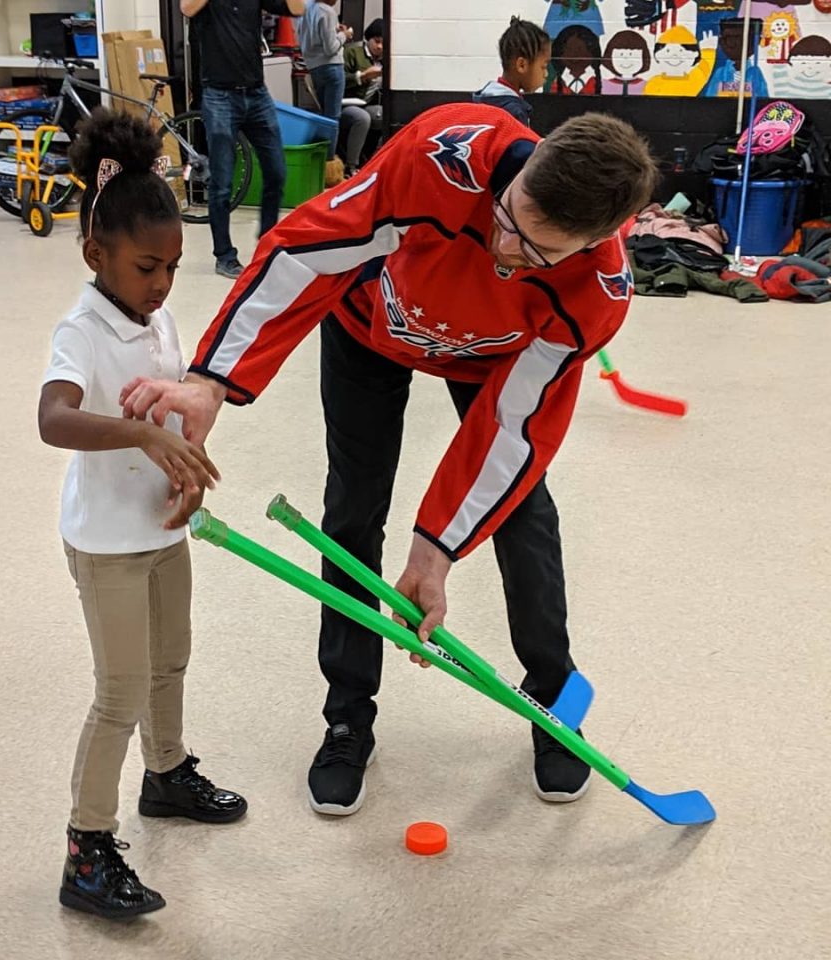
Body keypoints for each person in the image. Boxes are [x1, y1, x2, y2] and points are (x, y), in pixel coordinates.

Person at [120, 103, 659, 818]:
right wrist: (210, 380)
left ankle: (552, 699)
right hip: (368, 327)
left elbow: (512, 427)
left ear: (593, 242)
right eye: (508, 217)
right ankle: (348, 717)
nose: (504, 247)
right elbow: (306, 250)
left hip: (491, 361)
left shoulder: (594, 292)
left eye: (534, 249)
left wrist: (434, 551)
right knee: (352, 506)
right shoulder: (441, 159)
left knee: (523, 510)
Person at [38, 108, 246, 919]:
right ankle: (86, 851)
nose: (161, 285)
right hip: (106, 546)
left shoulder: (157, 317)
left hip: (163, 529)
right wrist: (132, 433)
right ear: (97, 255)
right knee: (118, 690)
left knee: (172, 663)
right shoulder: (79, 331)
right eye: (145, 266)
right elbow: (53, 419)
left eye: (171, 267)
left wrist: (187, 466)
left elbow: (184, 398)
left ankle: (167, 774)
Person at [180, 0, 306, 280]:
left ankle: (268, 242)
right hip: (219, 95)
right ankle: (224, 256)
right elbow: (186, 8)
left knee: (276, 172)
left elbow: (297, 9)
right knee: (222, 184)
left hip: (256, 93)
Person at [298, 0, 352, 164]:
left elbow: (305, 37)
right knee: (332, 118)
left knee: (324, 117)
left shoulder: (306, 7)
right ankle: (329, 164)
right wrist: (345, 35)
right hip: (332, 67)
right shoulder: (327, 11)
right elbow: (330, 48)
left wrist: (335, 32)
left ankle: (319, 161)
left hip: (314, 68)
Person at [472, 17, 550, 127]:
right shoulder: (515, 113)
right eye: (543, 66)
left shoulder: (482, 98)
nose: (546, 74)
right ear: (522, 65)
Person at [341, 17, 384, 175]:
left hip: (367, 104)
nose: (380, 47)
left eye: (384, 43)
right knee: (362, 118)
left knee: (386, 116)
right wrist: (362, 76)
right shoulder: (352, 52)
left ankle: (371, 160)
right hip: (345, 103)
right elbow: (339, 81)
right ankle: (350, 166)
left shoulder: (384, 59)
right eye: (377, 41)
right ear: (368, 39)